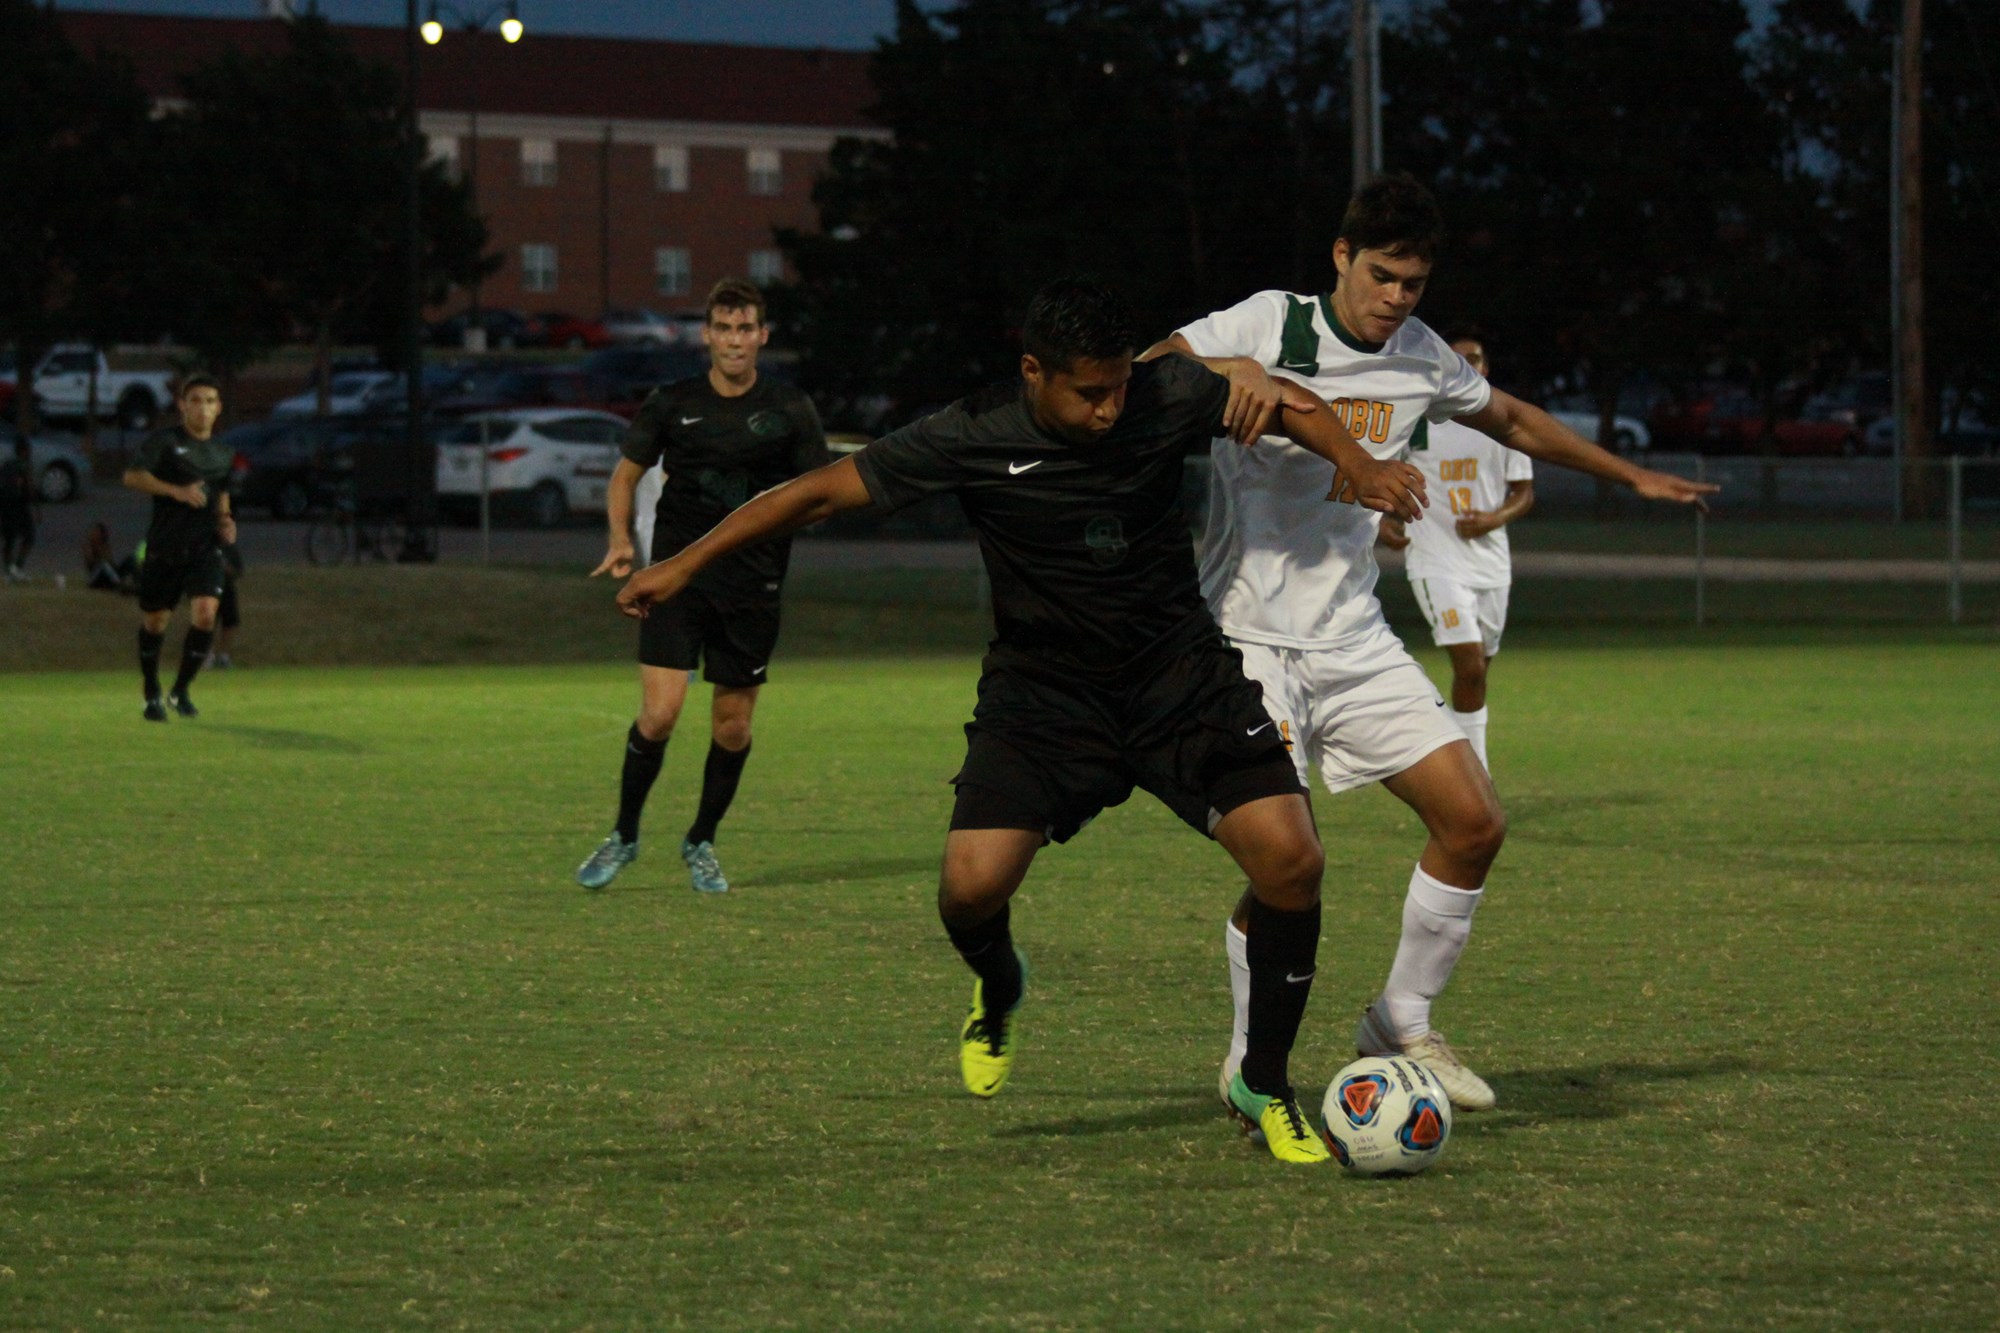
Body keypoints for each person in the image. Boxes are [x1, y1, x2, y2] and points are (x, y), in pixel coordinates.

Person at [616, 279, 1430, 1164]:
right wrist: (686, 563)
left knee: (1293, 860)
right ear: (1034, 372)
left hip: (1178, 679)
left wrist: (1358, 463)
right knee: (968, 892)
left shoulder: (1163, 391)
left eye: (1120, 385)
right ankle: (1001, 984)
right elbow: (813, 494)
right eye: (1089, 391)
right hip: (1044, 698)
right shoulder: (972, 432)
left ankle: (1262, 1082)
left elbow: (1287, 400)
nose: (1110, 408)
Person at [1144, 174, 1716, 1114]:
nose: (1396, 297)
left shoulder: (1423, 358)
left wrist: (1630, 476)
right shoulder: (1272, 322)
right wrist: (1230, 367)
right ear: (1342, 257)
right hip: (1244, 642)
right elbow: (1149, 364)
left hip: (1353, 639)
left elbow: (1513, 419)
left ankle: (1400, 1020)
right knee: (1285, 865)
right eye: (1382, 275)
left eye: (1413, 283)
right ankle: (1252, 1063)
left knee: (1475, 821)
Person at [578, 278, 831, 895]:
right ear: (707, 336)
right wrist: (620, 540)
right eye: (724, 328)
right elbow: (625, 476)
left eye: (745, 329)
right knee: (660, 714)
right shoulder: (673, 402)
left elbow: (820, 493)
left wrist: (790, 519)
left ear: (762, 335)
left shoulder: (791, 407)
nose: (734, 340)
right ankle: (624, 835)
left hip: (753, 584)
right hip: (677, 579)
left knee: (732, 727)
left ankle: (701, 841)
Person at [1376, 329, 1530, 771]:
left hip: (1491, 565)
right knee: (1470, 666)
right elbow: (1381, 473)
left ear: (1485, 367)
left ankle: (1459, 758)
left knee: (1478, 671)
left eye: (1474, 358)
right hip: (1436, 560)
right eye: (1457, 358)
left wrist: (1493, 518)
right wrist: (1385, 520)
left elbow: (1524, 492)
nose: (1467, 365)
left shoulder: (1501, 425)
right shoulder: (1419, 420)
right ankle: (1475, 771)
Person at [123, 376, 236, 721]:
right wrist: (176, 491)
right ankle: (151, 691)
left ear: (218, 408)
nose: (203, 407)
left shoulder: (223, 454)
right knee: (156, 621)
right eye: (196, 400)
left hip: (205, 548)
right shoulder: (165, 442)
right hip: (165, 546)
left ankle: (181, 690)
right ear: (183, 405)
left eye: (210, 401)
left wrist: (226, 521)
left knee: (206, 614)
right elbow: (132, 476)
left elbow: (222, 495)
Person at [1, 438, 36, 582]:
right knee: (29, 537)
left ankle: (8, 571)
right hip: (19, 506)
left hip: (4, 506)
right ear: (24, 451)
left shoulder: (6, 465)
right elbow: (28, 488)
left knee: (9, 539)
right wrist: (36, 509)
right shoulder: (24, 466)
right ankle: (17, 567)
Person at [211, 541, 245, 668]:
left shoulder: (230, 549)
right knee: (208, 623)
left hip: (227, 589)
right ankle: (208, 656)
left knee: (230, 622)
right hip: (209, 590)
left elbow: (238, 571)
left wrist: (227, 568)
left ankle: (223, 656)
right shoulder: (204, 547)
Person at [82, 521, 139, 593]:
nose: (95, 534)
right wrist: (99, 552)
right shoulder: (88, 546)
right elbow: (91, 563)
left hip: (107, 576)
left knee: (130, 559)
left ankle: (138, 581)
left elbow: (110, 562)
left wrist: (103, 550)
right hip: (94, 578)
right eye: (94, 532)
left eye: (97, 532)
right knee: (103, 564)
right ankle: (119, 584)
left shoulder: (104, 546)